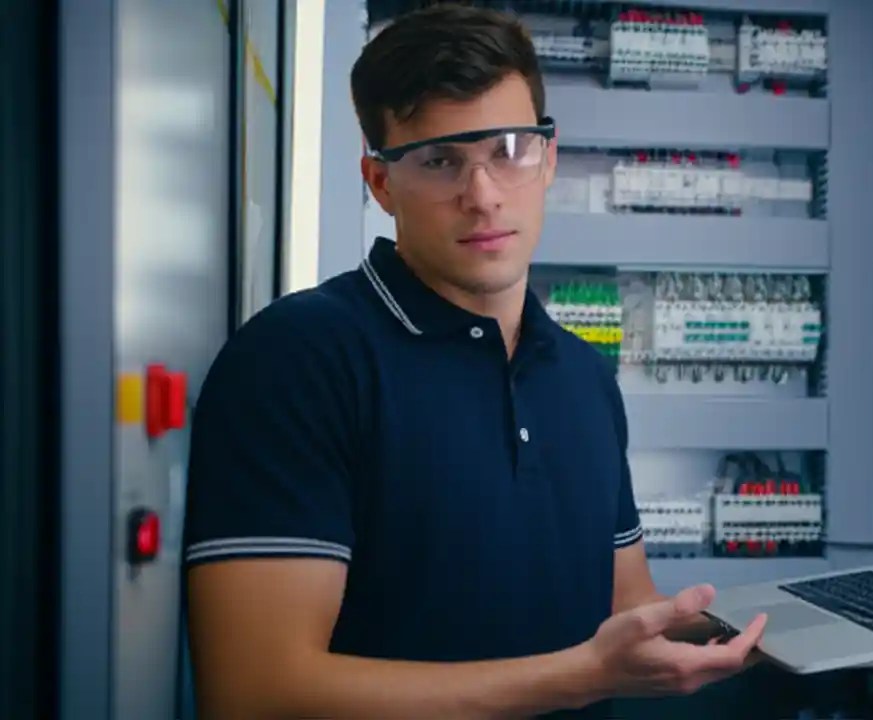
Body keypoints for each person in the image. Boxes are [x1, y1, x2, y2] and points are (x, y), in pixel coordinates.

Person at [181, 3, 767, 718]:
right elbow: (255, 692)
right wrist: (583, 676)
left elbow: (628, 603)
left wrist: (782, 623)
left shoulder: (583, 378)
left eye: (510, 149)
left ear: (548, 158)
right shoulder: (295, 362)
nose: (483, 195)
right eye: (439, 161)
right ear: (380, 182)